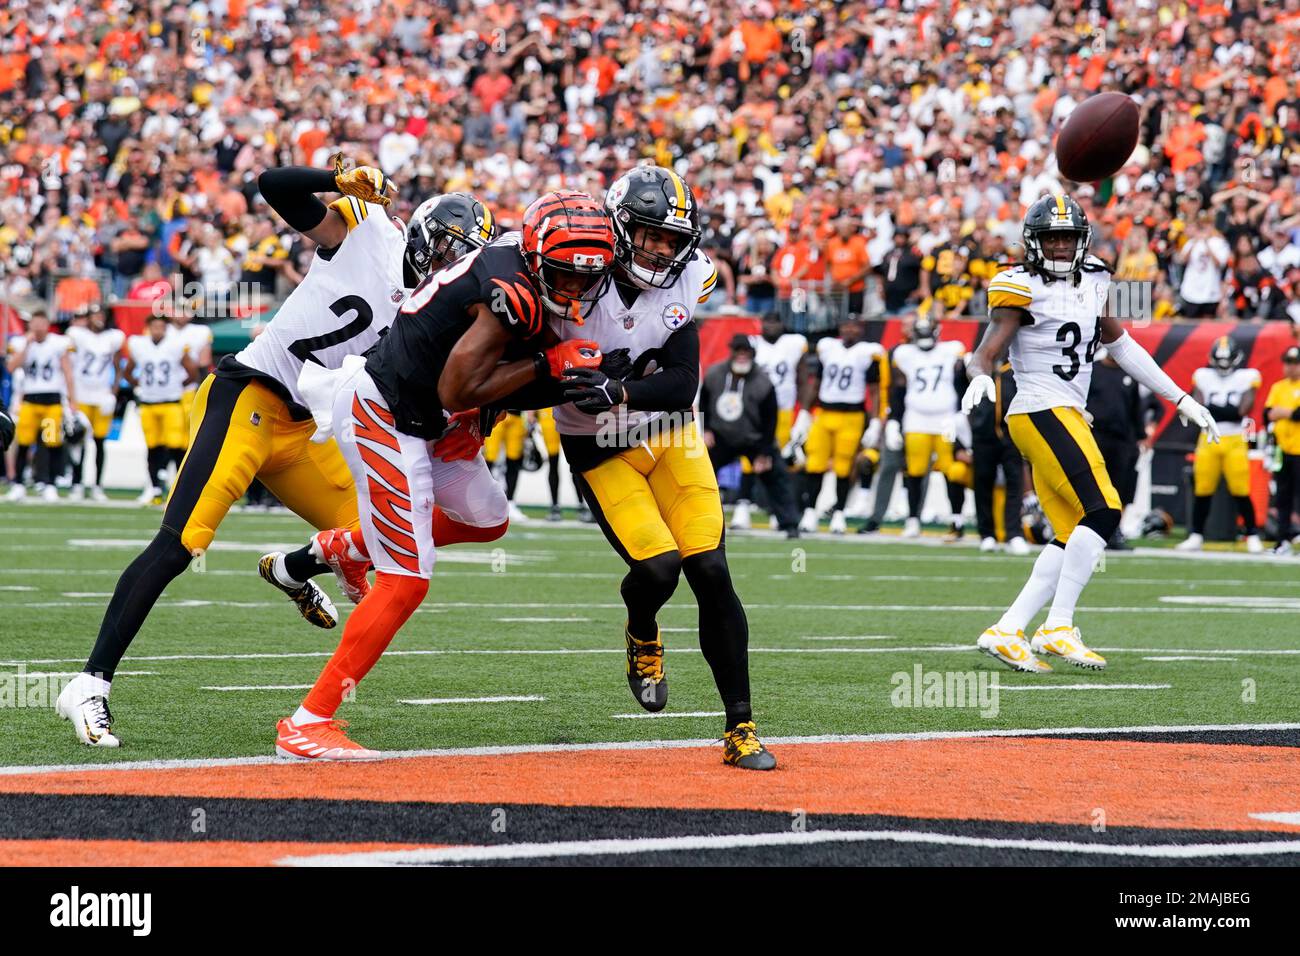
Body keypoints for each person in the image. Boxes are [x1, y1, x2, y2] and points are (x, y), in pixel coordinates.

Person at [53, 161, 471, 747]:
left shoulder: (436, 313)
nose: (454, 269)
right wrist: (337, 175)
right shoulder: (369, 229)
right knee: (180, 544)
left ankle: (293, 567)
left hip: (305, 428)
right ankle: (89, 683)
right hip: (249, 398)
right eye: (451, 252)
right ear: (424, 235)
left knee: (375, 533)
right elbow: (274, 185)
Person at [273, 190, 609, 760]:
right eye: (564, 276)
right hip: (386, 412)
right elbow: (460, 387)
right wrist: (547, 366)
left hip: (432, 417)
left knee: (487, 518)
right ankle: (307, 724)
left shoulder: (520, 267)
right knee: (406, 580)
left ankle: (350, 547)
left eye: (586, 278)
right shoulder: (513, 293)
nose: (573, 290)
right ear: (537, 257)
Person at [547, 165, 777, 770]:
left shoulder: (684, 283)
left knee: (710, 569)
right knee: (657, 569)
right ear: (621, 229)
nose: (661, 249)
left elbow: (681, 383)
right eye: (650, 235)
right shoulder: (574, 275)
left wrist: (618, 390)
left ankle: (740, 726)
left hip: (670, 435)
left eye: (672, 239)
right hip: (598, 446)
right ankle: (642, 630)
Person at [964, 194, 1219, 674]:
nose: (1060, 246)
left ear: (1082, 241)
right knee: (1105, 508)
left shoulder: (1100, 276)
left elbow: (1123, 345)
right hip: (1040, 407)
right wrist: (978, 372)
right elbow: (987, 349)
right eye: (1051, 237)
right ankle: (1058, 626)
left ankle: (1008, 628)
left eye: (1068, 237)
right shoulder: (1016, 284)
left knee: (1069, 533)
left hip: (1067, 412)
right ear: (1033, 242)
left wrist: (1181, 397)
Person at [789, 315, 885, 534]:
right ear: (840, 327)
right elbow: (817, 384)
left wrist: (876, 421)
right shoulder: (828, 348)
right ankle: (810, 512)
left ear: (861, 329)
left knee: (843, 466)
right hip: (824, 412)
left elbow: (874, 390)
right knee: (815, 464)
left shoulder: (868, 353)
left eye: (854, 326)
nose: (849, 329)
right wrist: (804, 412)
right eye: (846, 325)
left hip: (851, 415)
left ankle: (839, 514)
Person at [701, 334, 799, 536]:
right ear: (732, 352)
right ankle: (696, 519)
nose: (742, 356)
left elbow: (770, 420)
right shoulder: (715, 374)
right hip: (720, 437)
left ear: (753, 354)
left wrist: (764, 452)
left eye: (746, 352)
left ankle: (789, 523)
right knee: (697, 471)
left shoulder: (763, 382)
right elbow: (703, 404)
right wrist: (706, 429)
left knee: (777, 475)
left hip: (753, 439)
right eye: (738, 351)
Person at [1176, 337, 1263, 553]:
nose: (1223, 366)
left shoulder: (1247, 377)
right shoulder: (1203, 376)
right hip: (1207, 440)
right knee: (1202, 489)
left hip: (1234, 440)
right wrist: (1220, 410)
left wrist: (1210, 408)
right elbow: (1196, 408)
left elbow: (1242, 411)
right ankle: (1196, 535)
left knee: (1241, 489)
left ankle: (1252, 535)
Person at [889, 315, 969, 540]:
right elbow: (898, 388)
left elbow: (963, 376)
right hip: (916, 419)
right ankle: (913, 519)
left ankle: (956, 520)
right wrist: (894, 419)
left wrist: (962, 413)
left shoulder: (951, 350)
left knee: (950, 471)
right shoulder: (904, 354)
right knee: (914, 471)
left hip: (945, 419)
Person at [4, 310, 77, 502]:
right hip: (29, 399)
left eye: (41, 323)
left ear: (47, 324)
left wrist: (72, 399)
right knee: (24, 442)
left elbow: (67, 372)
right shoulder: (21, 343)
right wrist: (27, 345)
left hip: (52, 400)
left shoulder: (58, 343)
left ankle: (49, 483)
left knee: (51, 442)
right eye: (34, 323)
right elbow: (11, 367)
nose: (38, 327)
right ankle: (18, 483)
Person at [744, 311, 807, 529]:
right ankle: (744, 507)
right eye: (767, 321)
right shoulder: (752, 344)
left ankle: (775, 510)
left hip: (782, 411)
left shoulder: (794, 344)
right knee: (748, 461)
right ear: (761, 323)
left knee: (777, 462)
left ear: (782, 324)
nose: (771, 326)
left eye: (775, 321)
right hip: (754, 411)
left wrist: (804, 413)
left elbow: (802, 379)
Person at [124, 313, 196, 503]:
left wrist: (176, 386)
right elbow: (128, 371)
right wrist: (138, 385)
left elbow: (192, 371)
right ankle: (155, 488)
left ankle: (181, 488)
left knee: (176, 445)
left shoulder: (175, 345)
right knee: (152, 447)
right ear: (148, 328)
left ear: (166, 328)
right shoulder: (139, 345)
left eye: (161, 327)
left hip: (171, 402)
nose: (157, 330)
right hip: (148, 403)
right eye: (154, 326)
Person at [1085, 345, 1150, 550]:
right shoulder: (1092, 369)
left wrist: (1141, 435)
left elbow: (1135, 408)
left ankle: (1114, 532)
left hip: (1122, 440)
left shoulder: (1128, 373)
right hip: (1095, 436)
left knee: (1119, 488)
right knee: (1092, 485)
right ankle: (1087, 531)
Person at [65, 304, 125, 501]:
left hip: (101, 396)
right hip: (81, 395)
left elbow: (118, 368)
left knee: (100, 442)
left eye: (101, 314)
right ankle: (77, 483)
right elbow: (69, 365)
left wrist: (113, 393)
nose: (98, 318)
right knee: (77, 442)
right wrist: (71, 397)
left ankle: (97, 485)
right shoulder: (77, 335)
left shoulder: (113, 337)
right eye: (95, 314)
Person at [969, 359, 1029, 554]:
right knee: (983, 483)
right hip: (983, 435)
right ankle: (986, 534)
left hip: (1011, 434)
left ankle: (1014, 533)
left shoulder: (1015, 369)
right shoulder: (975, 366)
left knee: (1015, 483)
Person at [1264, 346, 1300, 554]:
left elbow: (1297, 415)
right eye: (1288, 362)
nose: (1291, 367)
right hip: (1283, 450)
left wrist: (1282, 412)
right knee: (1283, 498)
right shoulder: (1279, 387)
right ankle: (1282, 540)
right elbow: (1267, 413)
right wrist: (1288, 413)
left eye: (1295, 363)